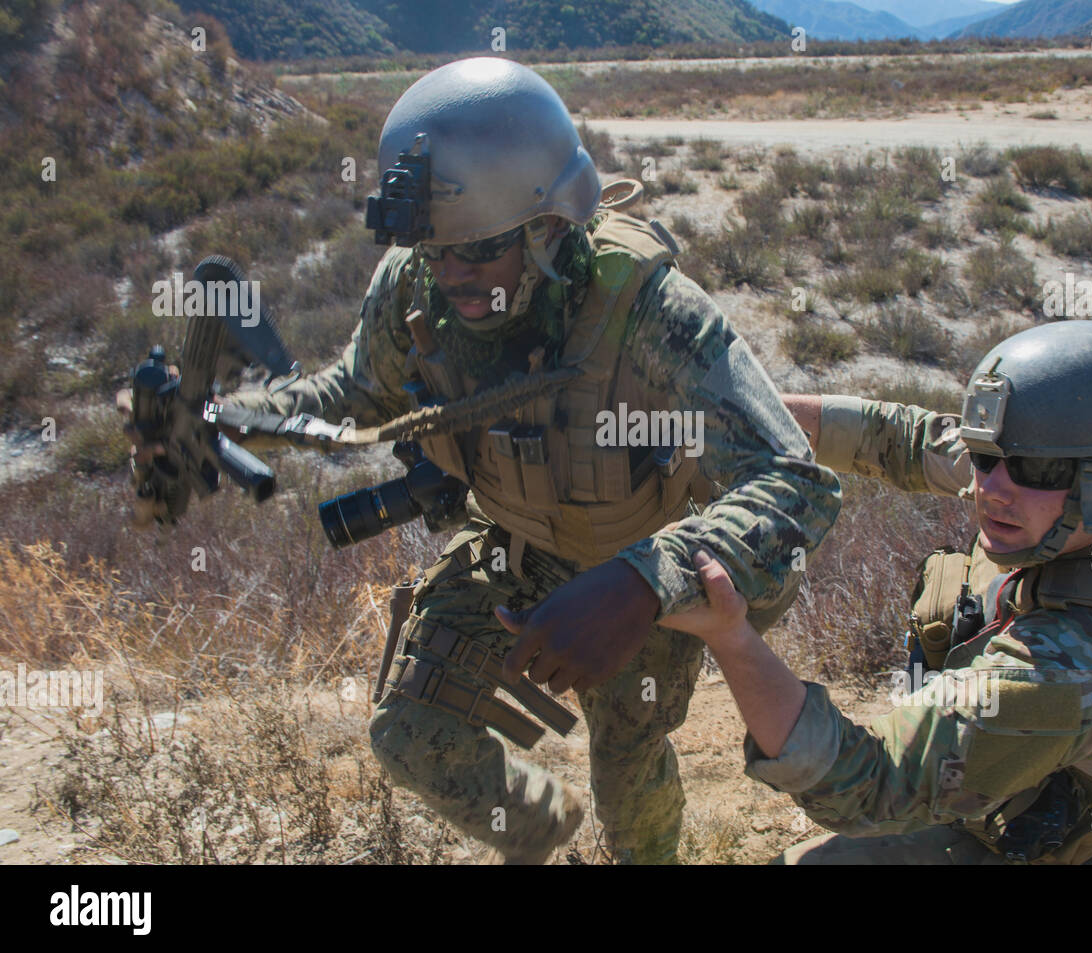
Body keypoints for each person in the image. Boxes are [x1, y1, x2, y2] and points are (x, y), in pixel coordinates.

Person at [121, 57, 840, 864]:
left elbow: (795, 480)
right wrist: (229, 418)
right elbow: (352, 394)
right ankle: (541, 831)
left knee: (628, 778)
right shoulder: (418, 283)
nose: (453, 277)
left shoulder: (647, 307)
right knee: (409, 735)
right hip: (515, 550)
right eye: (435, 252)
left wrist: (640, 583)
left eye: (479, 254)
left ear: (551, 225)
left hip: (653, 564)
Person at [661, 319, 1092, 865]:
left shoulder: (1083, 661)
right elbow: (900, 437)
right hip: (1056, 781)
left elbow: (872, 787)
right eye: (984, 456)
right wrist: (734, 418)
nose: (989, 487)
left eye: (1027, 468)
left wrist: (731, 637)